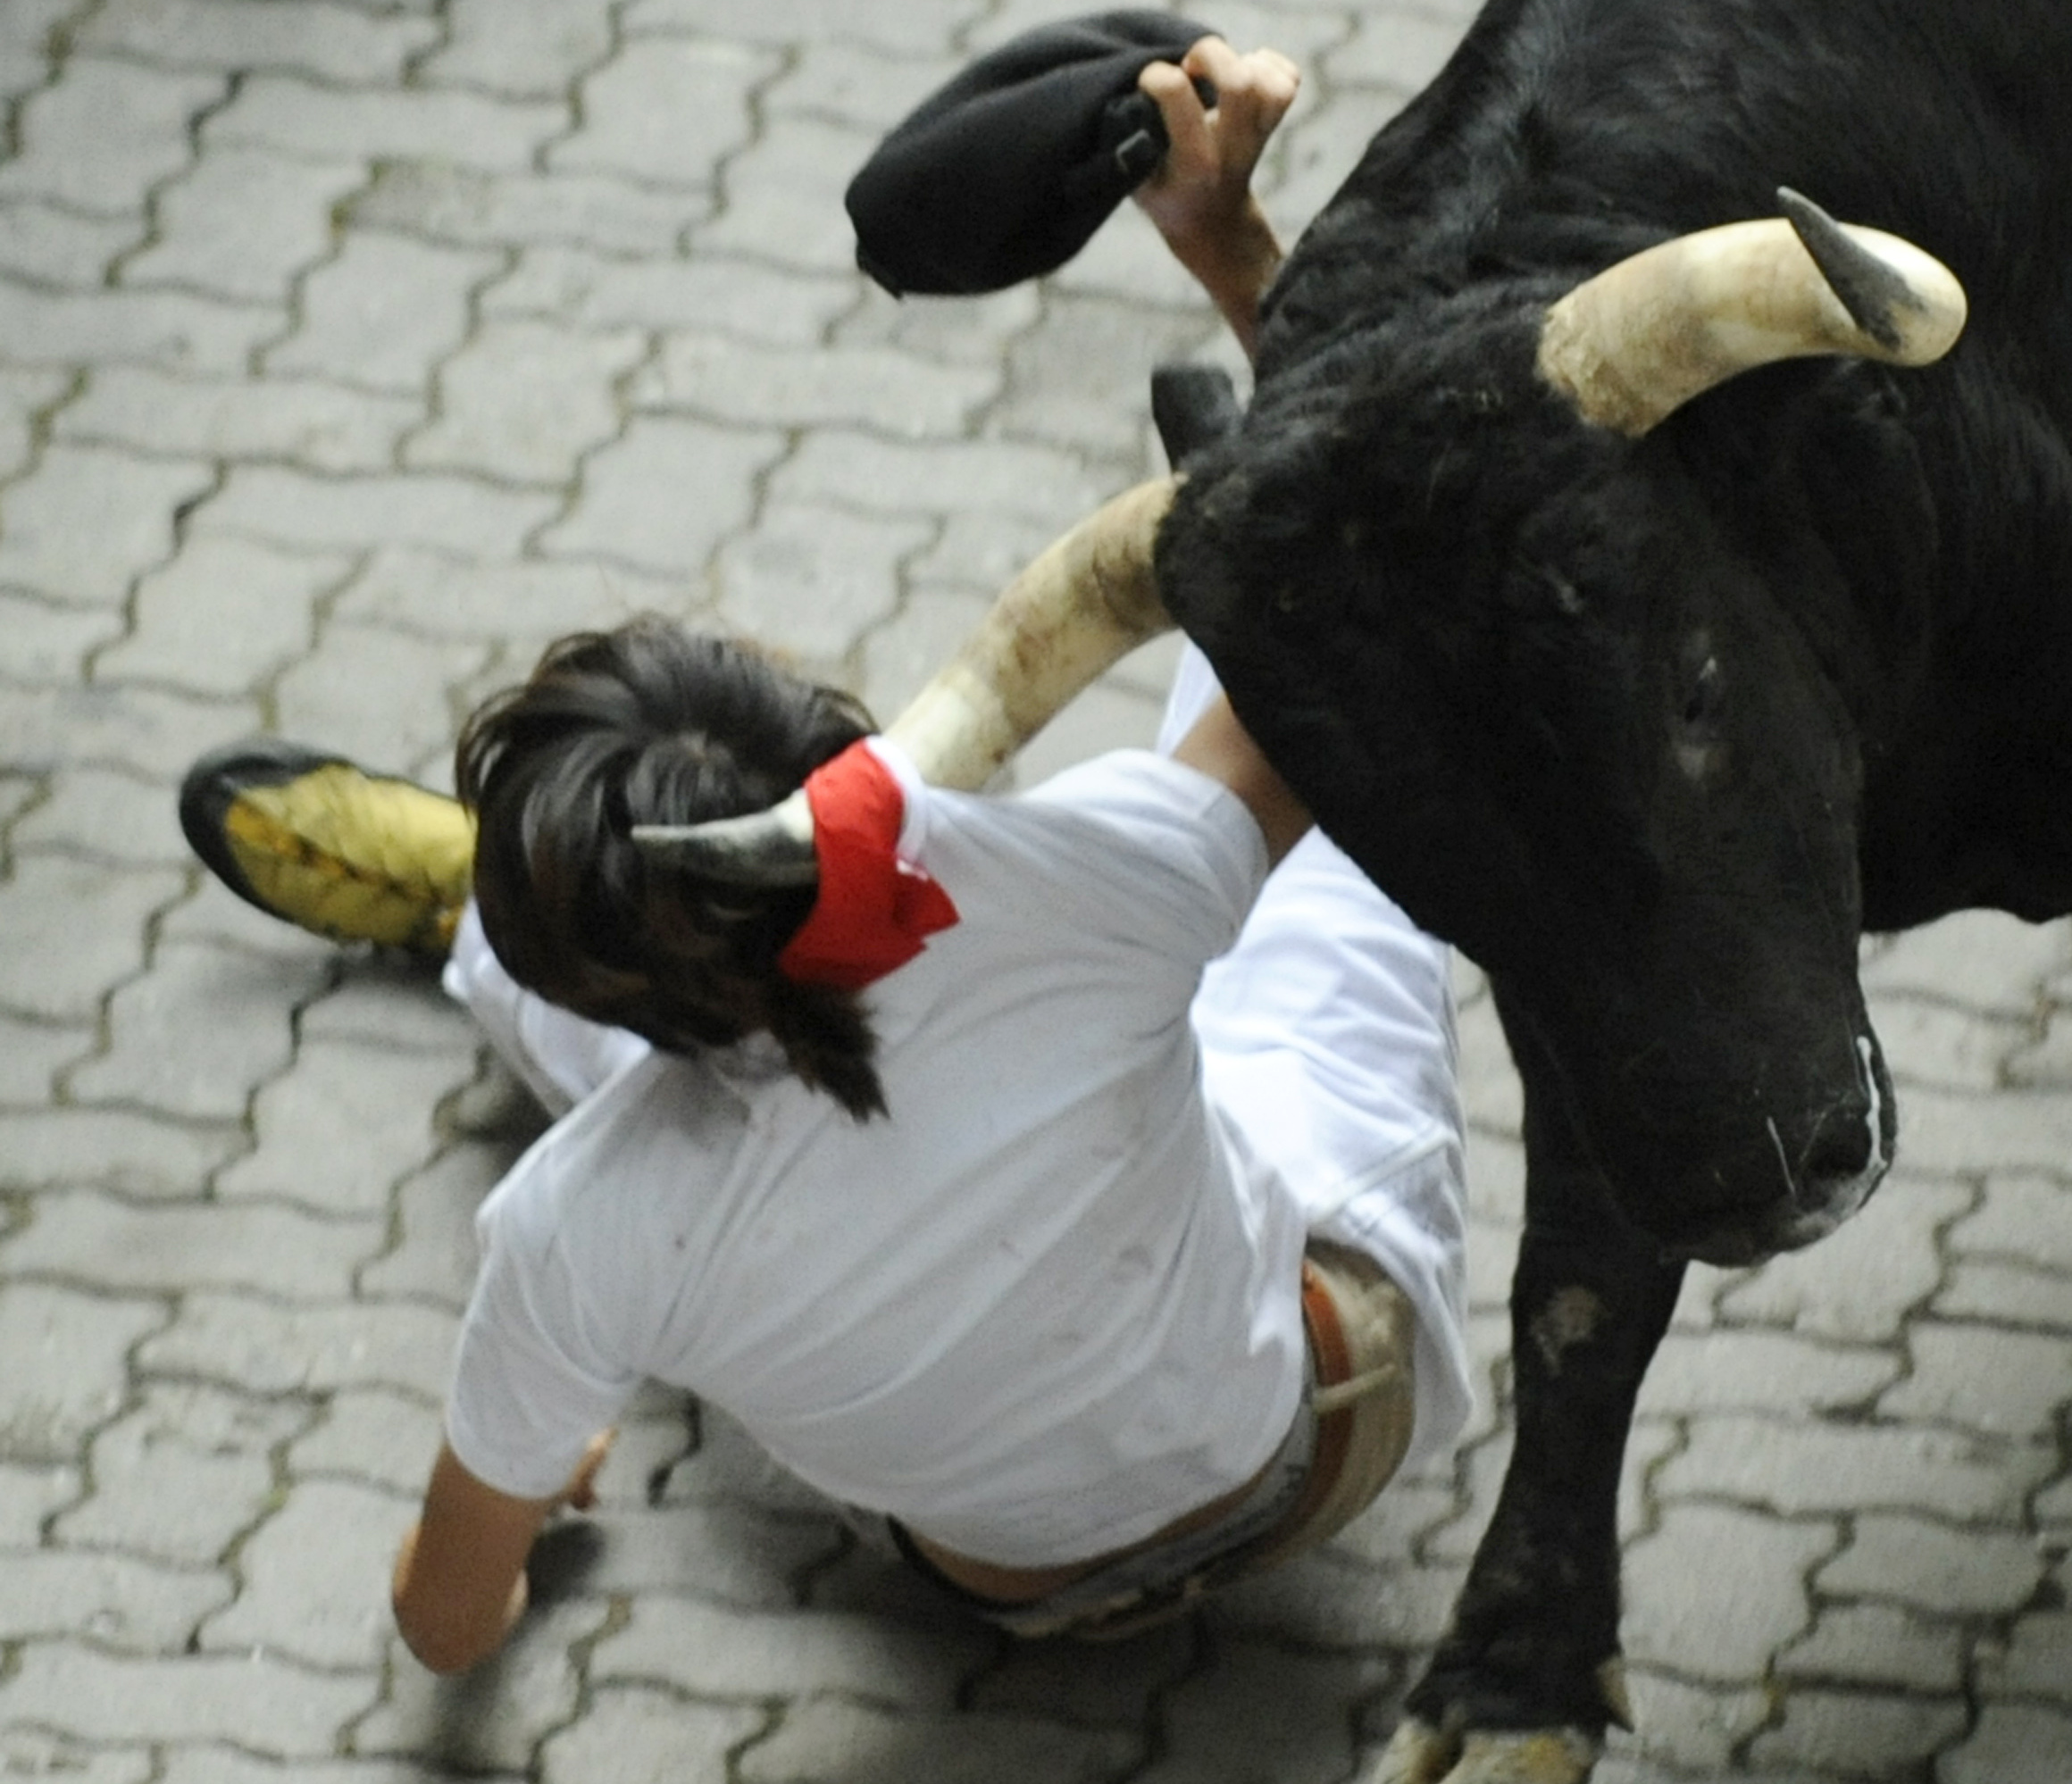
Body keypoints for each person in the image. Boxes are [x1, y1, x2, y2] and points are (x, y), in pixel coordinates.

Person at [180, 38, 1470, 1671]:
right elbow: (1378, 595)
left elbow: (443, 1627)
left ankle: (481, 930)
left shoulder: (573, 1227)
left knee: (660, 1116)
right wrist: (1231, 251)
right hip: (1326, 1427)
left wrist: (529, 1517)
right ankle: (1224, 513)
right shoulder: (1061, 883)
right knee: (1338, 768)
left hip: (1008, 1582)